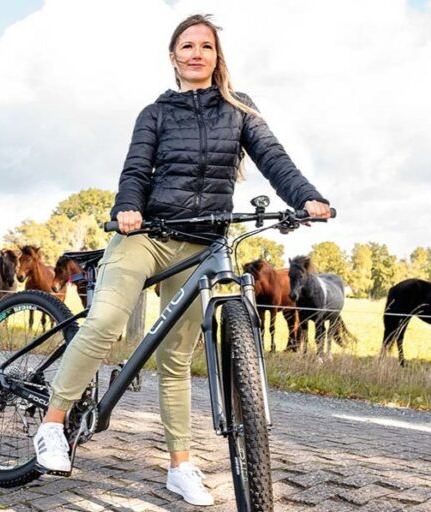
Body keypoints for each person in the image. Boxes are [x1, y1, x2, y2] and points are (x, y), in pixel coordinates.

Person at [32, 13, 331, 507]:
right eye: (186, 46)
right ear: (173, 57)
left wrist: (307, 197)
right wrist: (127, 207)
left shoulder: (239, 109)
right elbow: (135, 170)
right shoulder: (155, 113)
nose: (196, 53)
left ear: (217, 57)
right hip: (145, 235)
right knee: (105, 320)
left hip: (202, 243)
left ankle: (180, 465)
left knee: (176, 359)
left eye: (205, 46)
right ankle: (51, 424)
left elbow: (275, 160)